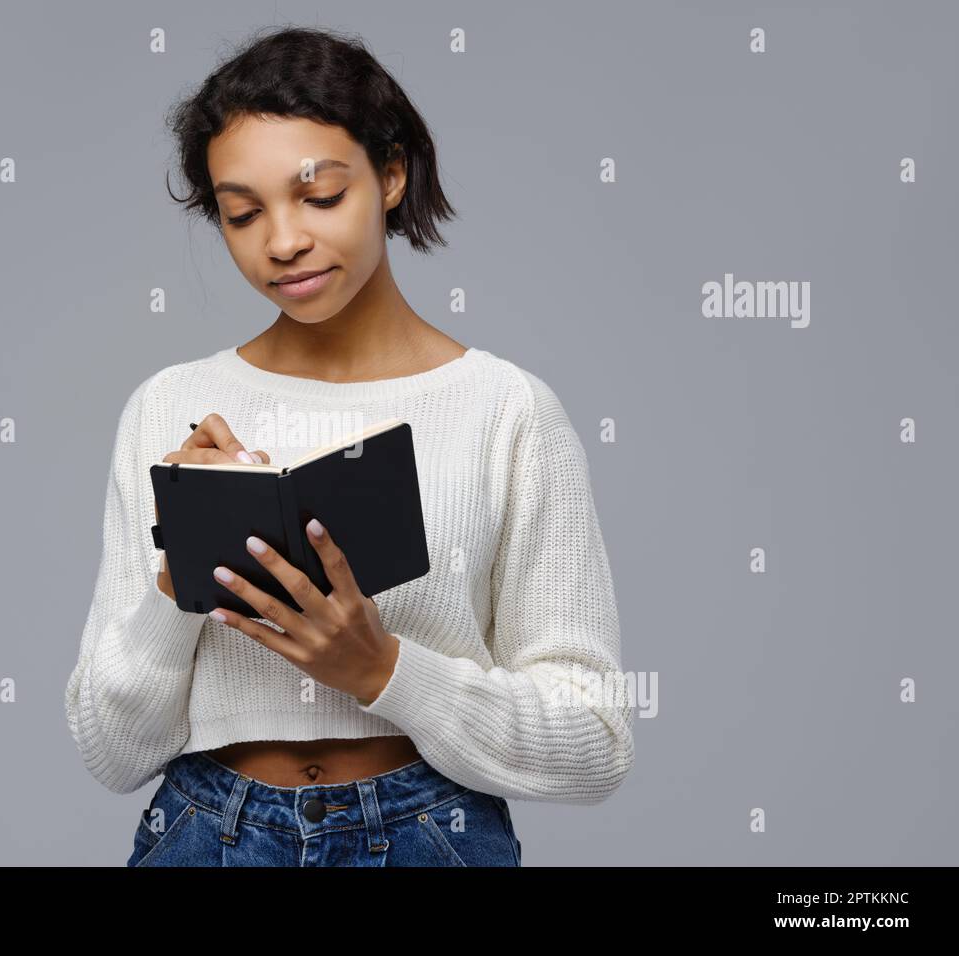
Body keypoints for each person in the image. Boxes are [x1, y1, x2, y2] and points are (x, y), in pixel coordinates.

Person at [65, 25, 634, 866]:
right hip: (205, 833)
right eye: (242, 214)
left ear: (391, 173)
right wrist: (176, 578)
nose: (282, 242)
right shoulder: (169, 409)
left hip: (429, 833)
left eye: (321, 197)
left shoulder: (506, 411)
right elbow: (110, 753)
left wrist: (382, 669)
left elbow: (593, 742)